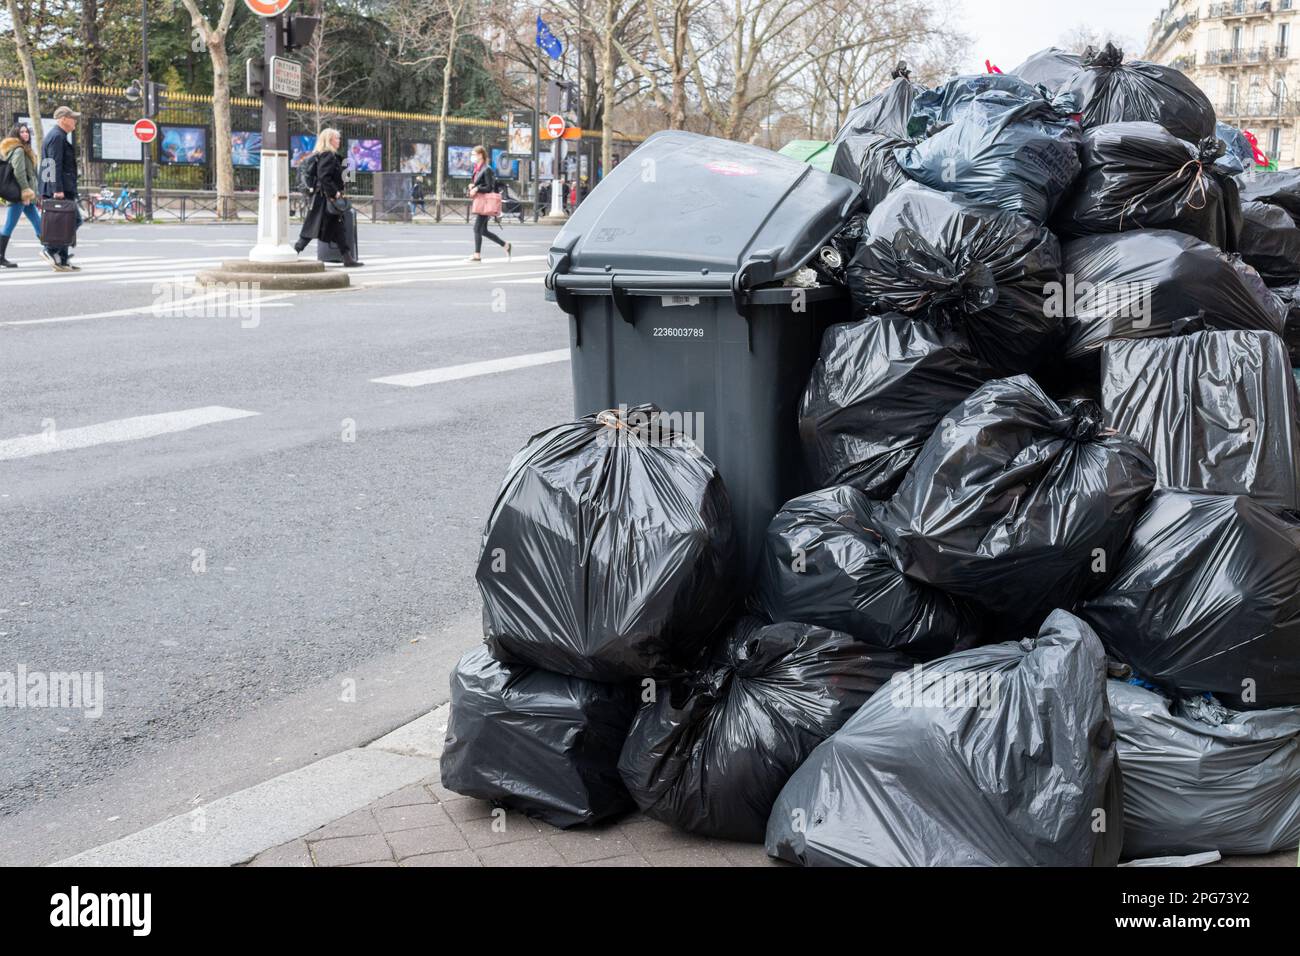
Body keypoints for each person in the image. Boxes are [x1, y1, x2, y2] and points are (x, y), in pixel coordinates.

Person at [293, 127, 363, 267]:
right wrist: (335, 193)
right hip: (324, 199)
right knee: (313, 227)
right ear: (330, 140)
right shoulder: (328, 155)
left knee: (337, 227)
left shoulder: (326, 155)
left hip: (323, 198)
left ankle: (347, 257)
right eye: (337, 138)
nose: (339, 141)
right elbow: (324, 177)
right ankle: (295, 251)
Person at [40, 106, 82, 272]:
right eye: (73, 118)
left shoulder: (59, 135)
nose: (75, 121)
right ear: (63, 119)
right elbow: (54, 163)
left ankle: (62, 260)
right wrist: (56, 189)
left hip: (63, 186)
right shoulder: (57, 136)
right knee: (74, 220)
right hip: (60, 188)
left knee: (65, 222)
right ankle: (50, 250)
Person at [0, 123, 41, 268]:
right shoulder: (18, 150)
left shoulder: (24, 149)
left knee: (39, 223)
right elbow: (19, 173)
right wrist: (26, 192)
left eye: (27, 132)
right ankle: (0, 256)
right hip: (19, 195)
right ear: (16, 134)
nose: (25, 134)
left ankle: (52, 250)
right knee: (9, 226)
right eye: (22, 132)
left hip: (24, 196)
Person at [466, 145, 511, 262]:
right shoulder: (477, 168)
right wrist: (472, 186)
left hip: (486, 203)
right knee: (483, 231)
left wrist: (477, 189)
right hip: (481, 202)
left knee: (476, 229)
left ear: (480, 155)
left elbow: (489, 187)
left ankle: (477, 255)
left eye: (474, 154)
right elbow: (480, 184)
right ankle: (505, 245)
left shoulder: (487, 169)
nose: (472, 157)